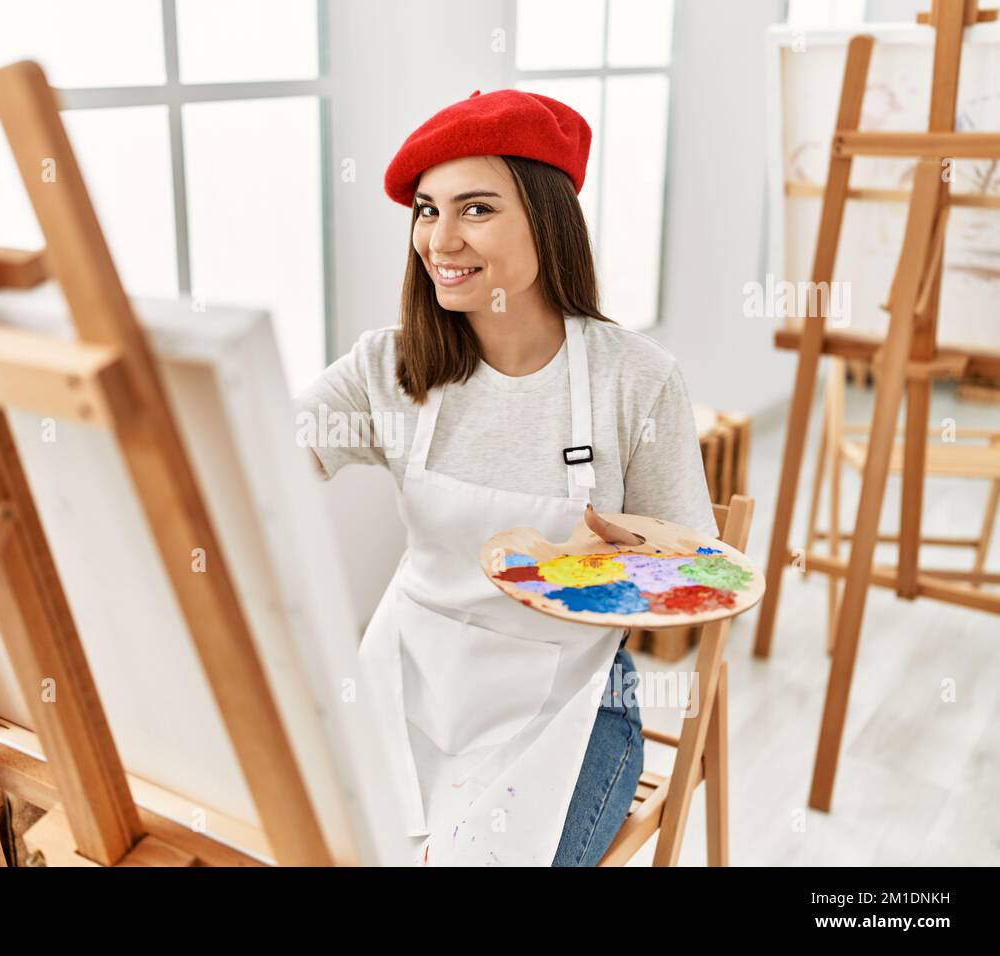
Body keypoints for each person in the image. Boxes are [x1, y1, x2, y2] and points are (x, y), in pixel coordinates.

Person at [295, 88, 717, 866]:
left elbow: (696, 576)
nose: (440, 239)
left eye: (477, 209)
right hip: (403, 684)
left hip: (573, 701)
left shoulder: (635, 379)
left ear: (548, 222)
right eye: (427, 210)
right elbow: (259, 461)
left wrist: (625, 564)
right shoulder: (388, 367)